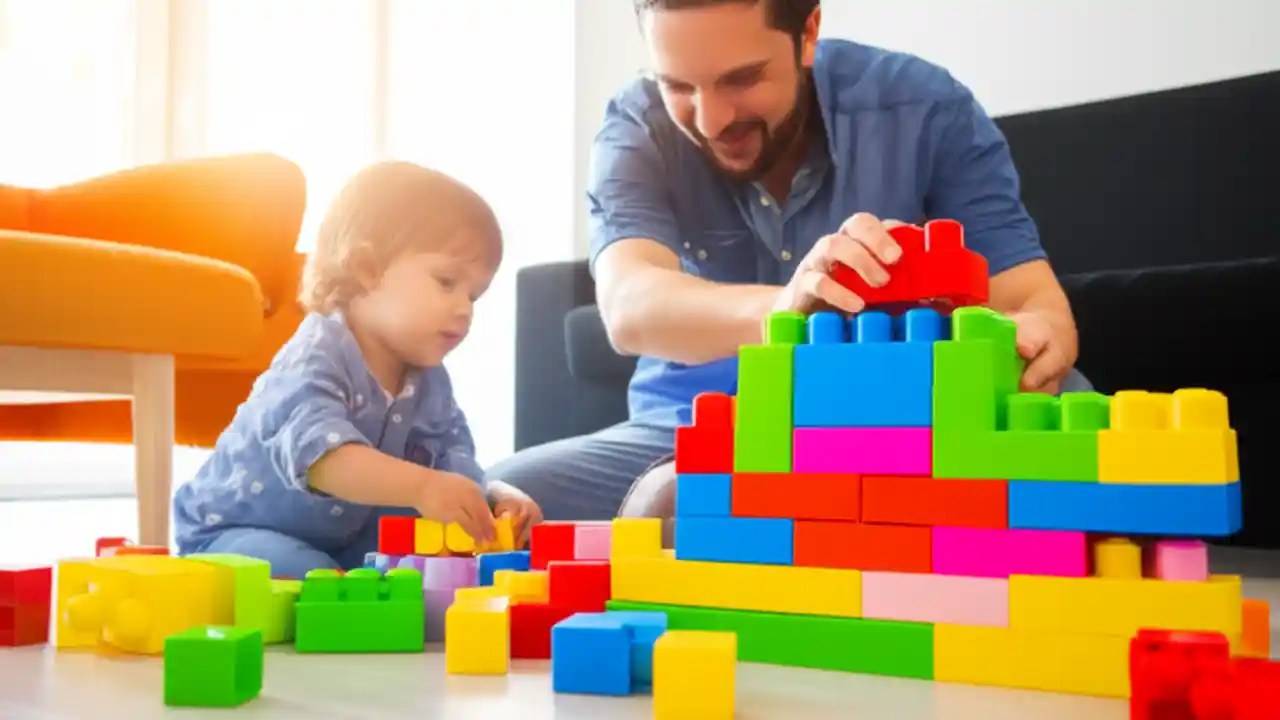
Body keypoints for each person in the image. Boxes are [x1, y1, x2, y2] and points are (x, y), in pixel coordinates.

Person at [484, 0, 1091, 521]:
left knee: (1109, 472)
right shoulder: (637, 125)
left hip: (902, 420)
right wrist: (789, 307)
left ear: (809, 32)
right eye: (678, 86)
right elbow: (628, 306)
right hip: (692, 431)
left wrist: (1037, 341)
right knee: (490, 502)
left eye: (741, 79)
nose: (710, 118)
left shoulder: (924, 107)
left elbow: (1034, 304)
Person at [172, 161, 543, 580]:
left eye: (474, 295)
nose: (464, 309)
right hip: (237, 533)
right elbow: (322, 458)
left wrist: (492, 498)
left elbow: (452, 463)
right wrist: (422, 487)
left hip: (342, 540)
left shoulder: (428, 378)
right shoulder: (318, 354)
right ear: (367, 270)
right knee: (315, 581)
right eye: (446, 282)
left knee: (428, 572)